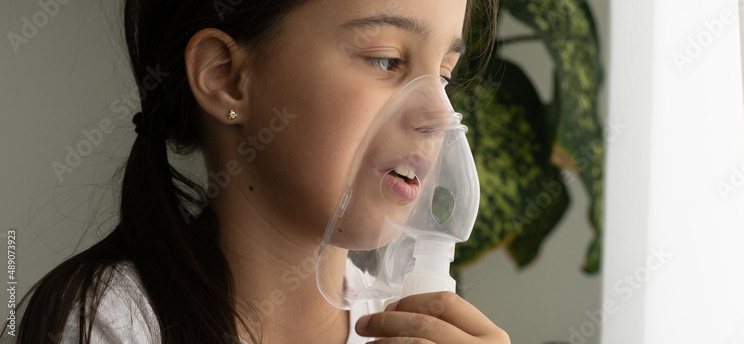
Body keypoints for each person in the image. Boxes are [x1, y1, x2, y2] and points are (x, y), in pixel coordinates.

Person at [10, 0, 509, 343]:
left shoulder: (402, 324)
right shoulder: (114, 322)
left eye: (444, 75)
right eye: (385, 60)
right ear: (226, 78)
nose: (438, 116)